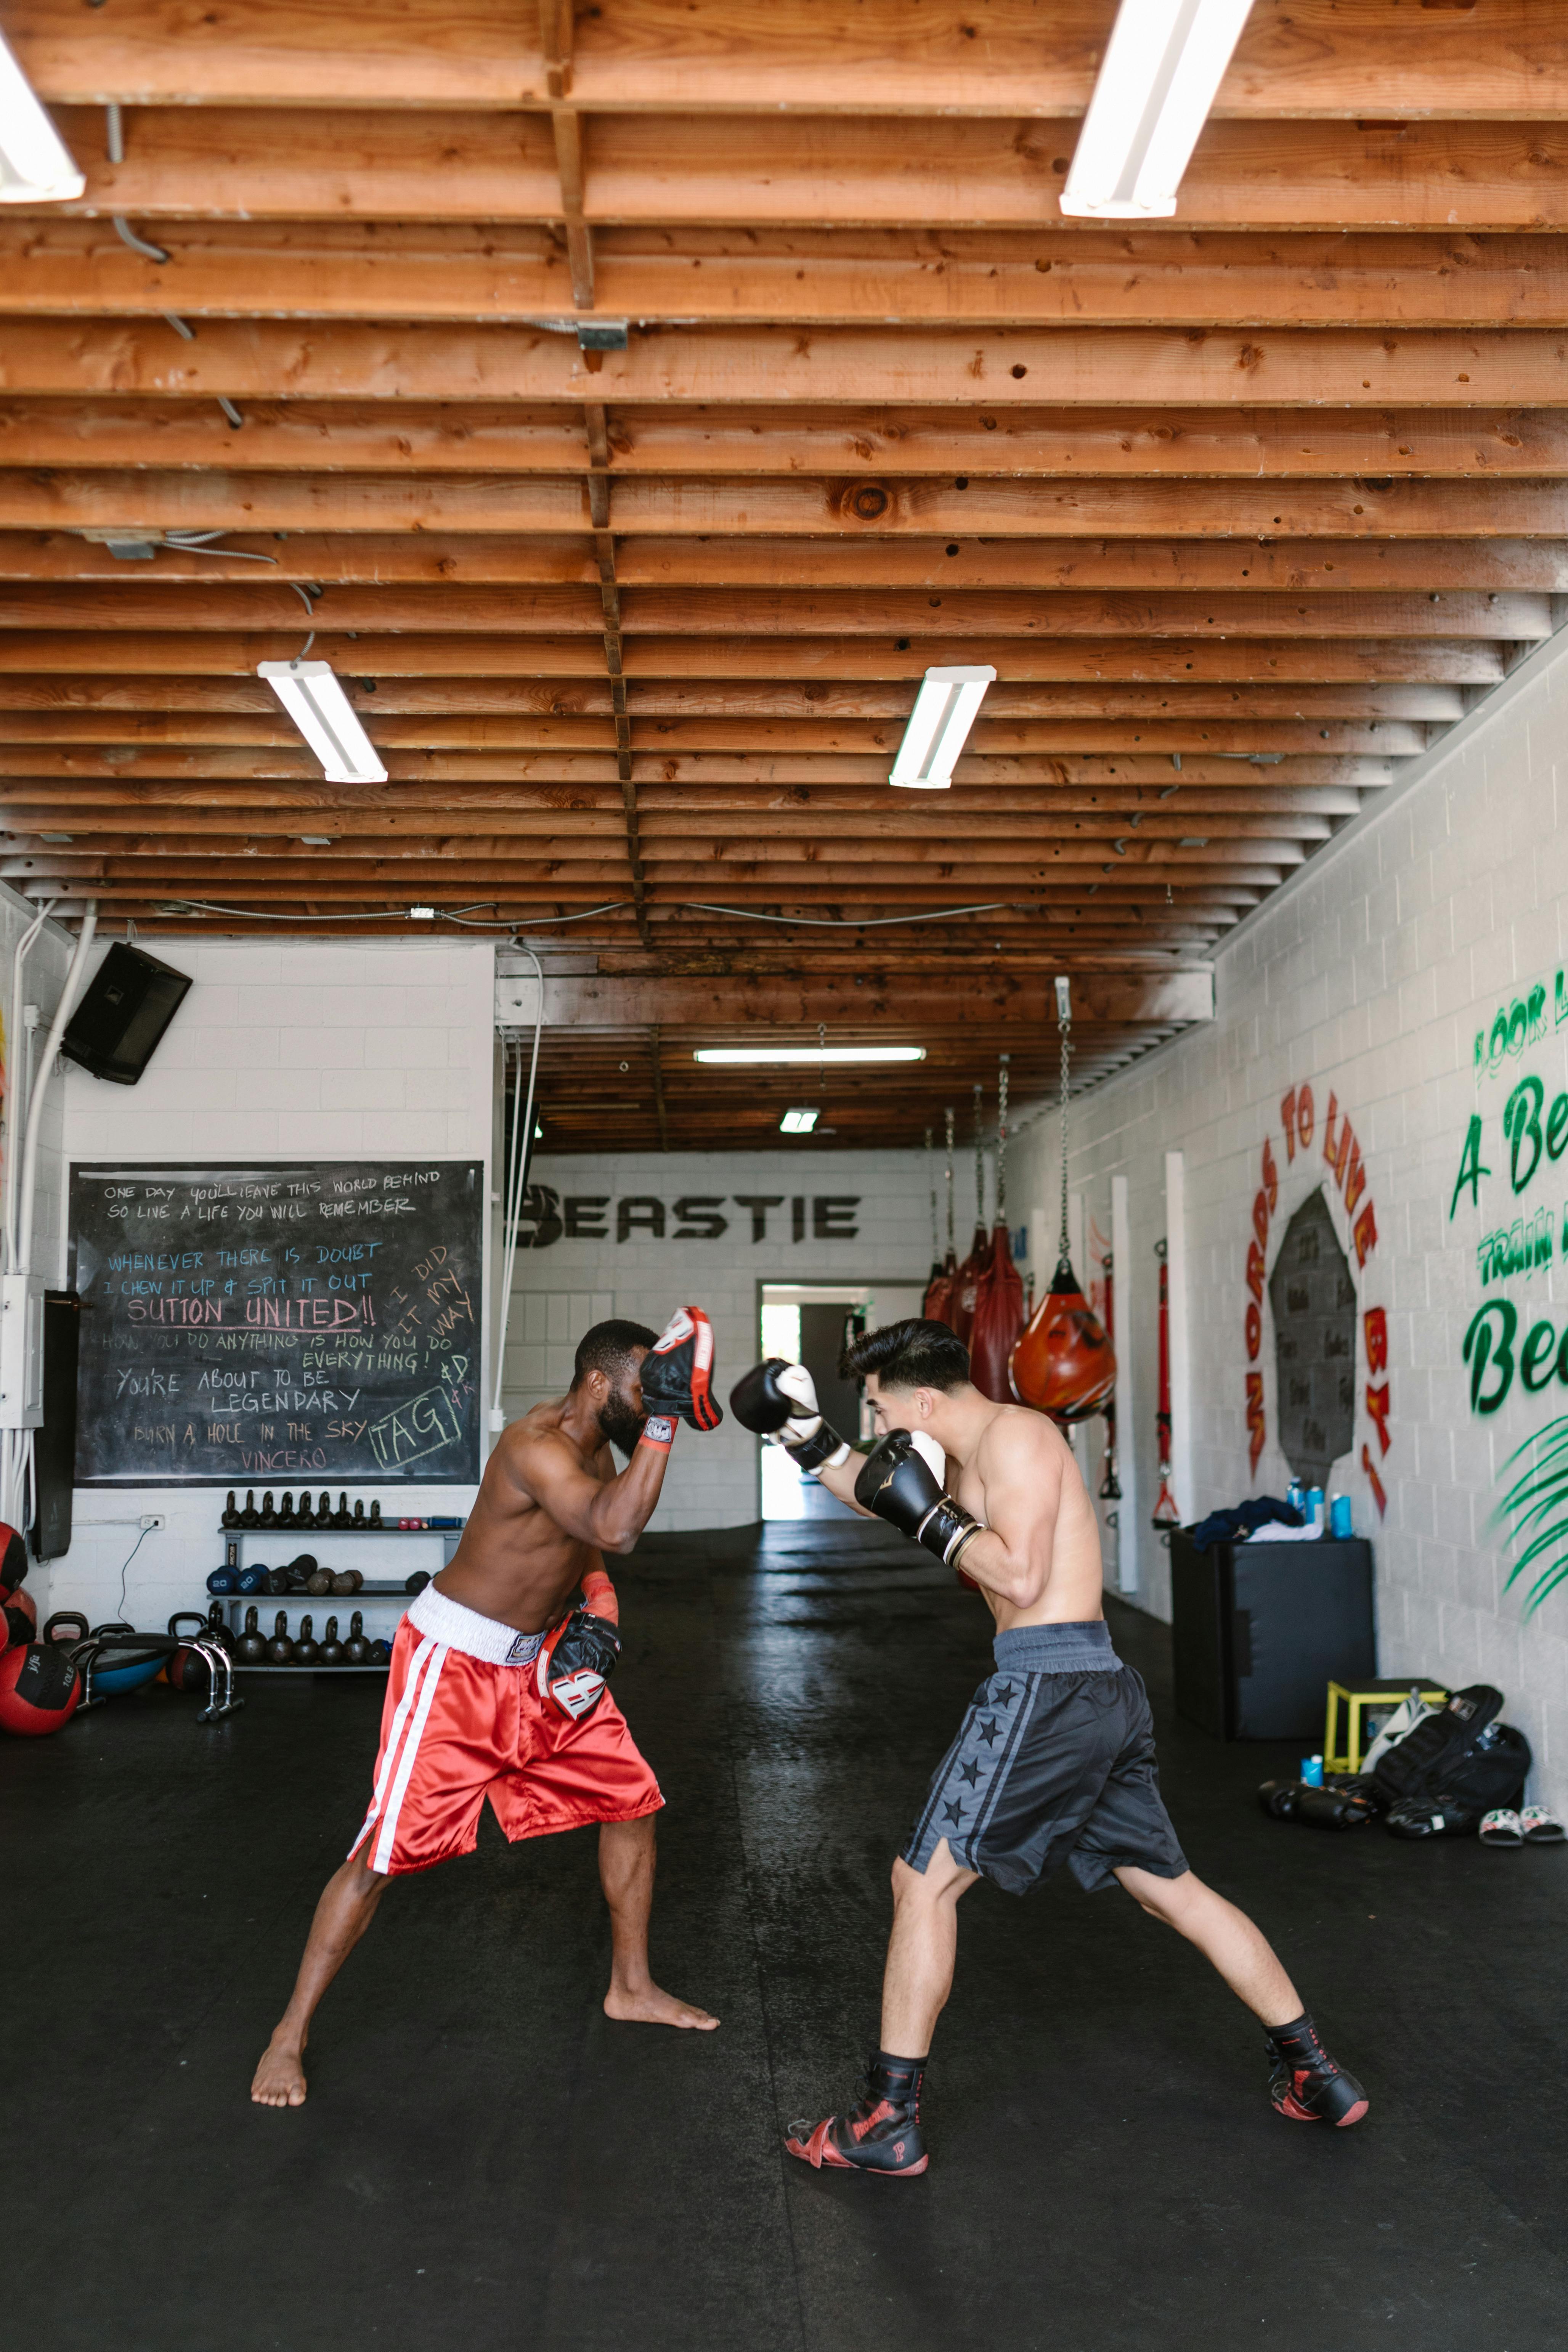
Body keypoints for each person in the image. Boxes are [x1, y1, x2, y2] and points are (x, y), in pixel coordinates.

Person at [732, 1318, 1368, 2178]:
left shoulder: (1022, 1438)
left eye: (878, 1405)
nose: (877, 1422)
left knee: (921, 1882)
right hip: (1092, 1688)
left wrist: (931, 1518)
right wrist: (805, 1442)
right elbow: (883, 1488)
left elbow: (1019, 1575)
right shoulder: (963, 1455)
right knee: (1166, 1888)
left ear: (921, 1398)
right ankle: (1311, 2071)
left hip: (1048, 1686)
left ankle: (887, 2119)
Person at [252, 1310, 723, 2108]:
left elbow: (591, 1541)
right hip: (452, 1671)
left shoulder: (597, 1437)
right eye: (647, 1391)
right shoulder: (534, 1444)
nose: (652, 1405)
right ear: (599, 1382)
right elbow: (617, 1521)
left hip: (535, 1669)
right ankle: (286, 2034)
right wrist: (669, 1422)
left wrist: (599, 1606)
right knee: (380, 1857)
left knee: (633, 1799)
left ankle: (631, 1986)